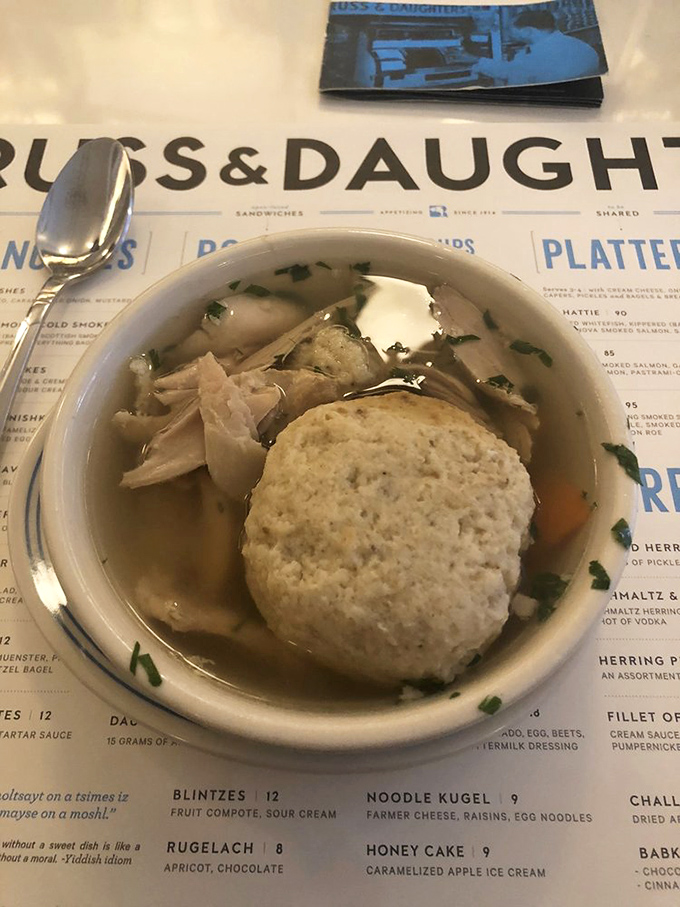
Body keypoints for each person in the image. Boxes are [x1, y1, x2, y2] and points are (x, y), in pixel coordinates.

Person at [473, 9, 601, 85]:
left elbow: (510, 72)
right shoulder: (581, 46)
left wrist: (475, 60)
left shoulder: (538, 59)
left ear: (528, 31)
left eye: (510, 29)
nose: (508, 33)